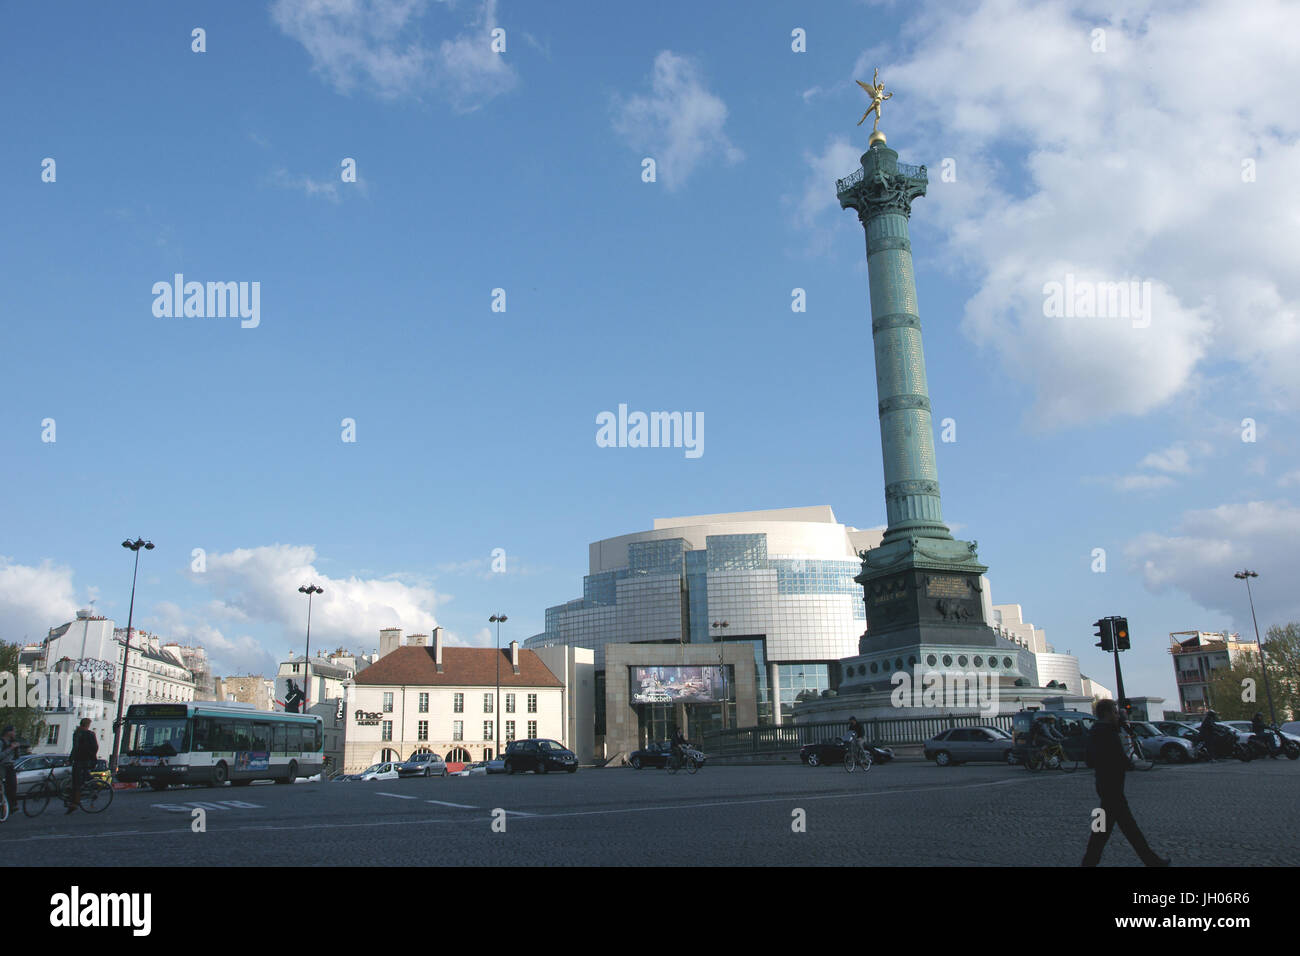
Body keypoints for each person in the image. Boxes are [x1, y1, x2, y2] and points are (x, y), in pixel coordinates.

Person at [1082, 699, 1170, 867]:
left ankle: (1089, 863)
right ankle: (1152, 861)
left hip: (1104, 786)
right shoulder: (1107, 733)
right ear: (1107, 713)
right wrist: (1128, 765)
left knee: (1102, 831)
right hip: (1113, 788)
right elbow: (1118, 757)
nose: (1117, 715)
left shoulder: (1096, 731)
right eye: (1115, 712)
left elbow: (1090, 760)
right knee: (1126, 829)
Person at [65, 718, 99, 813]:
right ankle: (92, 786)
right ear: (88, 725)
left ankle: (74, 803)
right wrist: (92, 756)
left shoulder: (77, 733)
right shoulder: (91, 734)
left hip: (80, 759)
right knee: (81, 778)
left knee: (76, 781)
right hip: (89, 760)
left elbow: (75, 748)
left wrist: (70, 759)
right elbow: (95, 747)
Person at [1, 726, 23, 812]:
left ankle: (12, 805)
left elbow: (17, 757)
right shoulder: (1, 742)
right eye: (14, 731)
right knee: (3, 787)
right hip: (2, 766)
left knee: (13, 786)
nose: (15, 733)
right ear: (8, 732)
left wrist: (17, 748)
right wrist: (11, 748)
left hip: (10, 766)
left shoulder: (13, 742)